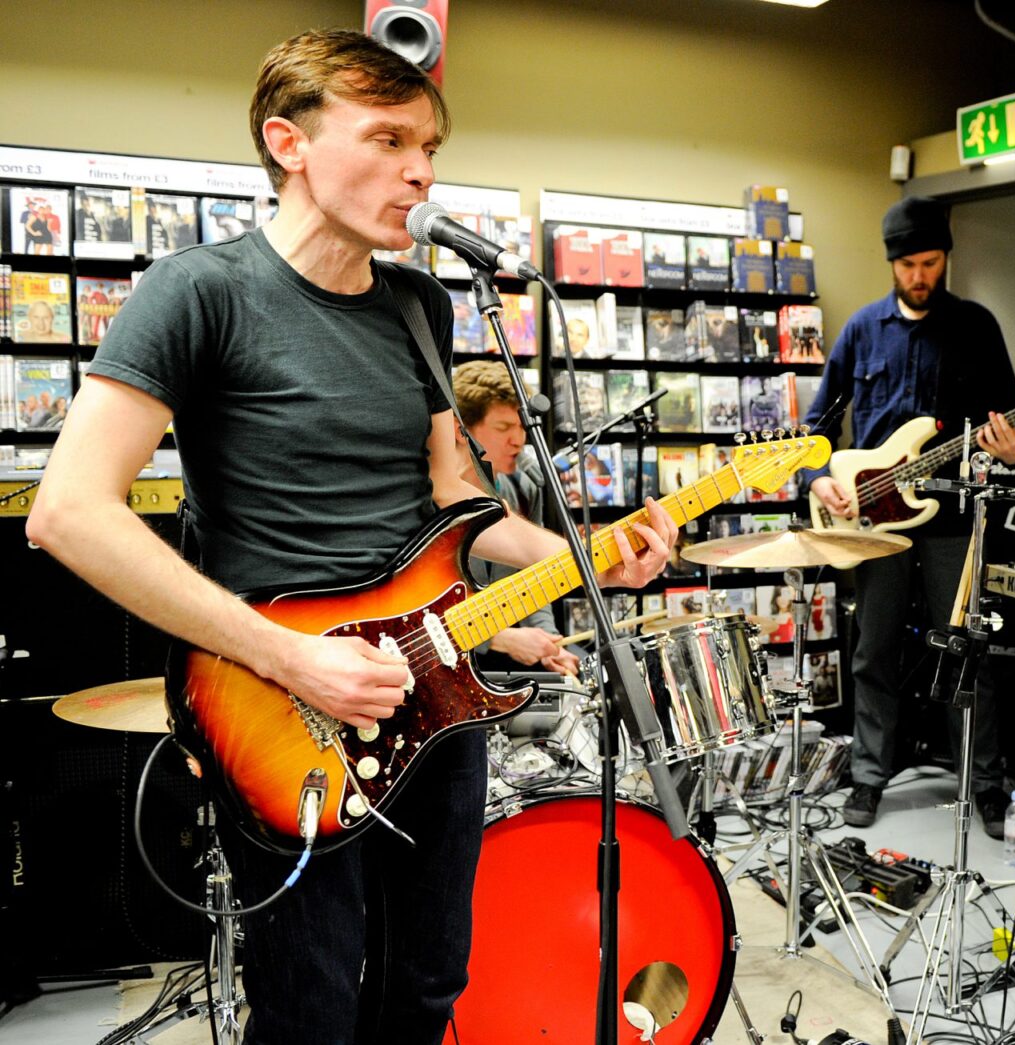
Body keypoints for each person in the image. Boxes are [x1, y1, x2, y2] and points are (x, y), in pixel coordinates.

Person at [26, 29, 676, 1045]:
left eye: (430, 147)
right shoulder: (200, 291)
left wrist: (588, 558)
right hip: (283, 704)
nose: (420, 170)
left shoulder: (418, 304)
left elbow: (456, 503)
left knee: (425, 987)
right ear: (288, 142)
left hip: (437, 686)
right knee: (309, 1008)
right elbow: (67, 511)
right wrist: (290, 655)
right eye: (388, 140)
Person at [800, 195, 1015, 839]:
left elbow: (1008, 418)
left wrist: (1010, 452)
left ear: (945, 258)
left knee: (968, 651)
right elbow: (815, 428)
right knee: (874, 649)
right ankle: (869, 776)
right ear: (891, 264)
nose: (919, 276)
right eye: (908, 266)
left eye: (929, 263)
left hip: (954, 514)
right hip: (872, 521)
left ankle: (981, 782)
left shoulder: (978, 327)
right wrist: (822, 480)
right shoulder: (861, 331)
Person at [451, 359, 579, 677]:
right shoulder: (429, 497)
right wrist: (501, 639)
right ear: (461, 429)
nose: (519, 440)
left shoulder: (523, 487)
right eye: (504, 427)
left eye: (522, 425)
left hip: (501, 665)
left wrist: (551, 643)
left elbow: (533, 579)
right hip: (440, 666)